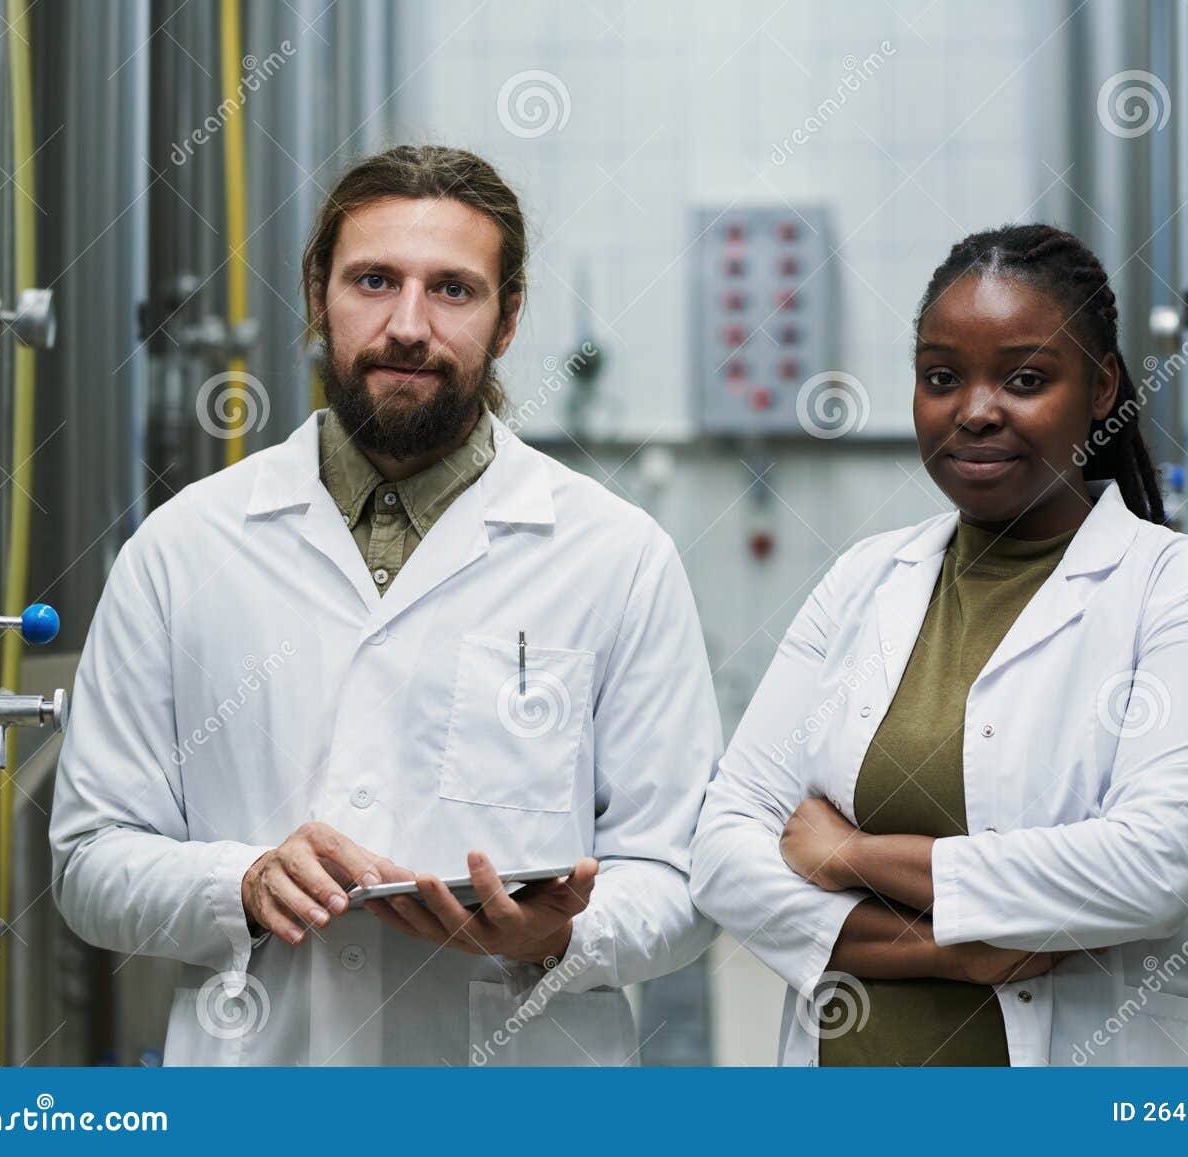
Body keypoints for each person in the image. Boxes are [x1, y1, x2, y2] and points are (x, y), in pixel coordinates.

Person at [49, 145, 720, 1066]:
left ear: (510, 315)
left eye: (453, 289)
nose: (408, 325)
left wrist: (557, 937)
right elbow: (89, 859)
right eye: (373, 280)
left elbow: (684, 879)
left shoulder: (615, 555)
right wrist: (238, 879)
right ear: (318, 293)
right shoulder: (183, 548)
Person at [689, 223, 1188, 1067]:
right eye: (942, 378)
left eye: (1026, 379)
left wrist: (852, 854)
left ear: (1100, 390)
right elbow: (724, 848)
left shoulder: (1179, 590)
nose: (977, 410)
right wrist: (951, 950)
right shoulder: (862, 579)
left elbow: (1151, 866)